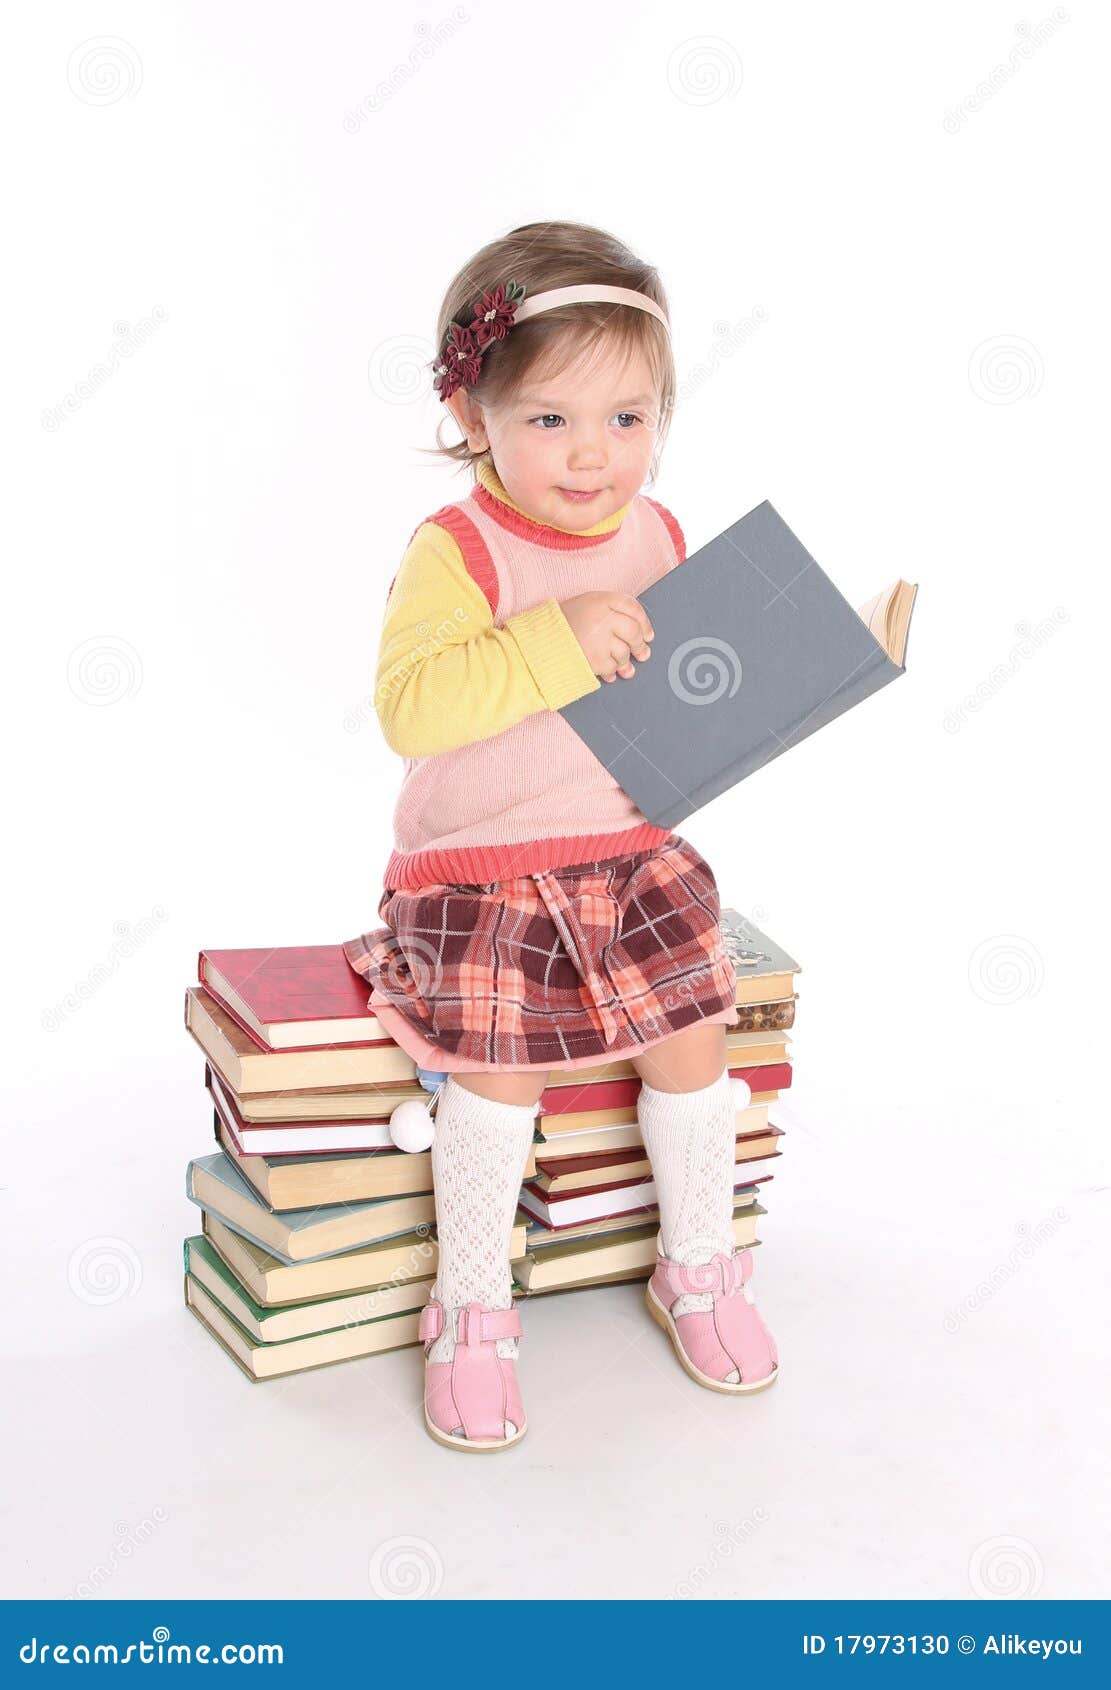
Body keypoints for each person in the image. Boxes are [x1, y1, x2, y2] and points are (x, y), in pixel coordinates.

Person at [343, 220, 778, 1454]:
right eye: (549, 421)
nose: (593, 456)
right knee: (499, 1071)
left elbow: (678, 699)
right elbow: (409, 708)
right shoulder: (460, 548)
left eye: (628, 419)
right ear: (473, 415)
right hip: (481, 869)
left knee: (693, 1037)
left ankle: (698, 1265)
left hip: (624, 851)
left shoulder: (660, 533)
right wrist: (554, 640)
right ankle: (472, 1307)